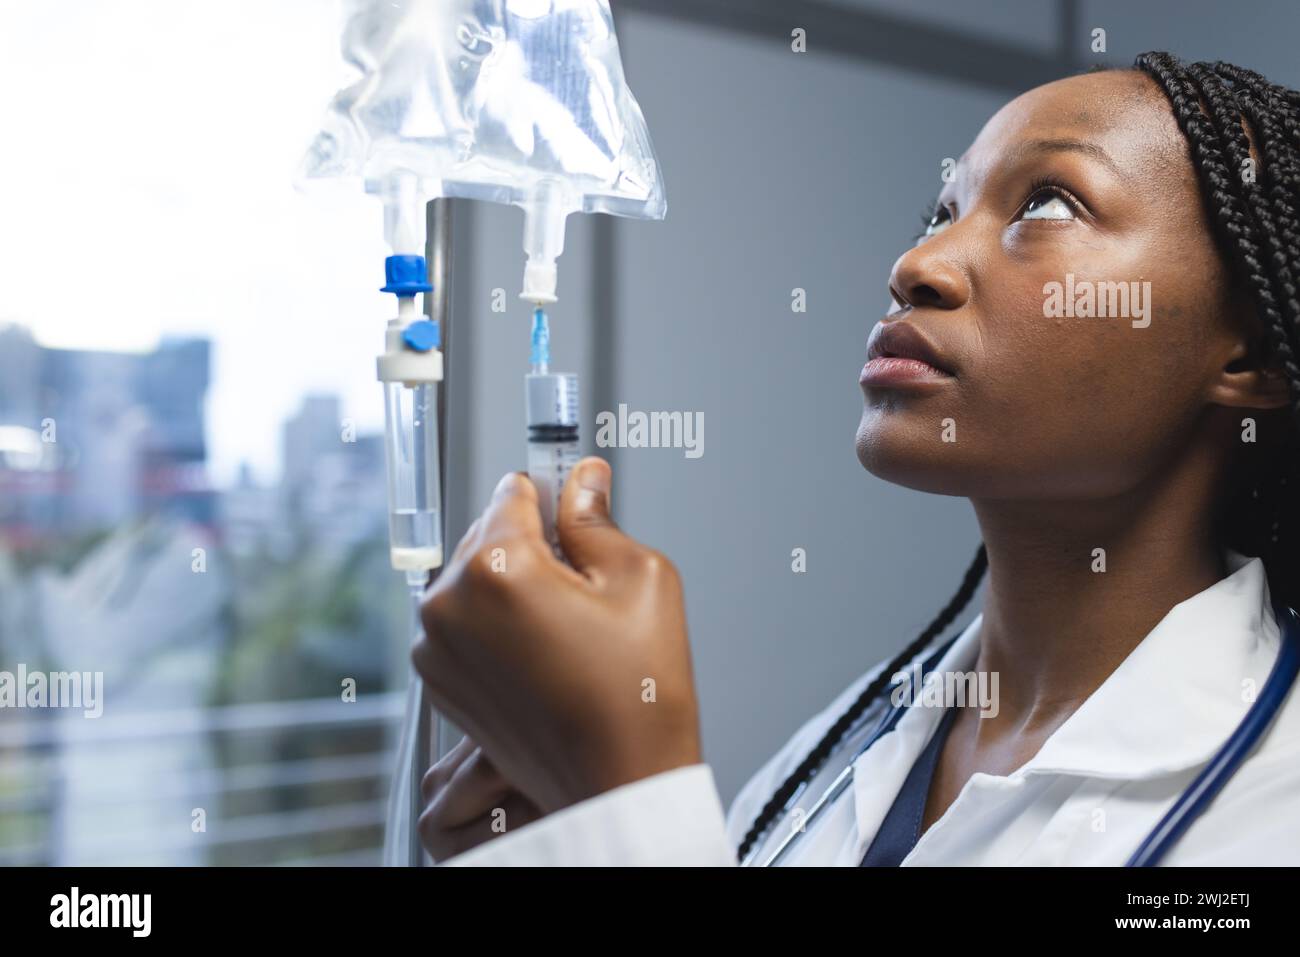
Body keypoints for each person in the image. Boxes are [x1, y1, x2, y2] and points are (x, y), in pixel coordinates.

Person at [410, 52, 1300, 866]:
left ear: (1250, 354)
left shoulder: (1274, 805)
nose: (919, 264)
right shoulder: (841, 753)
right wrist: (568, 839)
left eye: (1047, 204)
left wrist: (628, 800)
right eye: (939, 213)